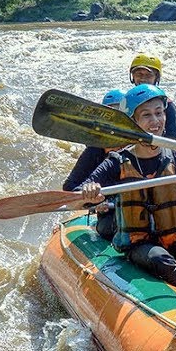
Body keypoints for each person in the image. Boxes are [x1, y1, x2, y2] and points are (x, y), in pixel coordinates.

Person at [77, 84, 176, 295]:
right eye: (146, 115)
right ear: (133, 121)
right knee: (160, 258)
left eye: (159, 113)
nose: (155, 121)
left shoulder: (175, 153)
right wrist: (90, 191)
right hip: (139, 245)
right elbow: (80, 191)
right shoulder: (117, 161)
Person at [63, 89, 128, 240]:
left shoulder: (138, 148)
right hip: (109, 211)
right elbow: (70, 188)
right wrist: (92, 202)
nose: (113, 123)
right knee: (107, 226)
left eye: (118, 117)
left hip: (138, 206)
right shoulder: (94, 150)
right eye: (109, 117)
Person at [128, 52, 176, 140]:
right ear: (133, 77)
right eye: (139, 74)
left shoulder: (168, 106)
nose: (143, 78)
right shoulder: (127, 101)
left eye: (148, 75)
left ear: (157, 78)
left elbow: (173, 139)